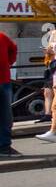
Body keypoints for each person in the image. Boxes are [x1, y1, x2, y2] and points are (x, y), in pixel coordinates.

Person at [0, 28, 15, 157]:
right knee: (5, 115)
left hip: (3, 80)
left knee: (5, 116)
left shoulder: (2, 37)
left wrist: (8, 62)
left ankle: (4, 146)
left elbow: (13, 48)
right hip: (3, 80)